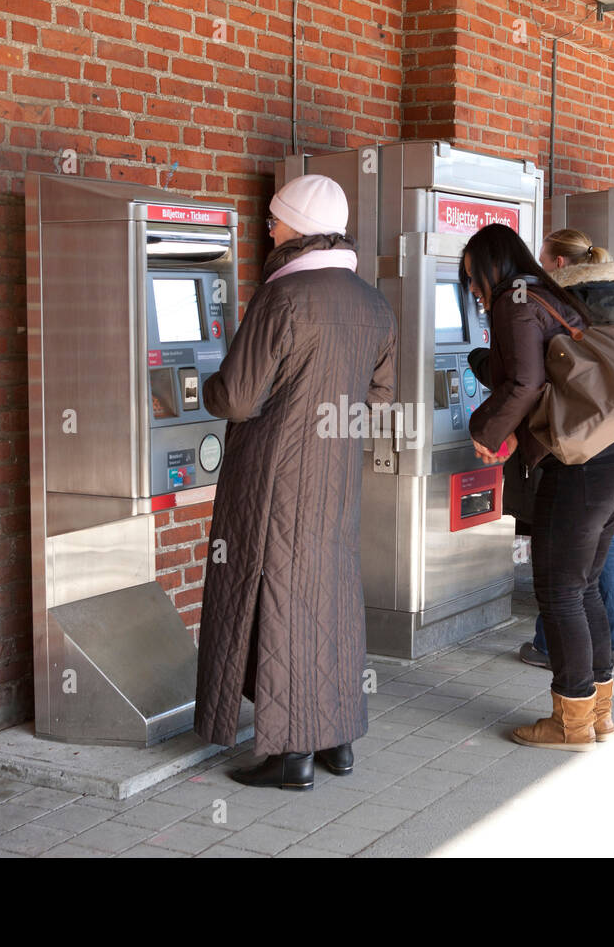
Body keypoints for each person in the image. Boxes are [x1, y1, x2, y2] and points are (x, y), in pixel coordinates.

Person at [194, 174, 397, 790]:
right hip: (335, 477)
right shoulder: (371, 302)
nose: (269, 229)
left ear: (299, 228)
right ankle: (337, 740)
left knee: (277, 598)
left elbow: (236, 395)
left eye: (277, 220)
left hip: (273, 477)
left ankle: (291, 756)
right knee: (329, 597)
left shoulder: (282, 298)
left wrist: (204, 381)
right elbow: (380, 400)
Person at [463, 223, 614, 751]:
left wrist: (486, 432)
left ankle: (570, 721)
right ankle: (597, 713)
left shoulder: (513, 302)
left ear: (488, 266)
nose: (472, 289)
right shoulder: (547, 294)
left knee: (560, 590)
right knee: (583, 587)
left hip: (582, 466)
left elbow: (525, 383)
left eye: (472, 276)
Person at [500, 228, 614, 670]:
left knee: (563, 585)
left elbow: (531, 379)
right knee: (588, 573)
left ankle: (571, 696)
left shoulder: (555, 310)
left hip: (574, 455)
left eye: (544, 261)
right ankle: (601, 684)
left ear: (560, 265)